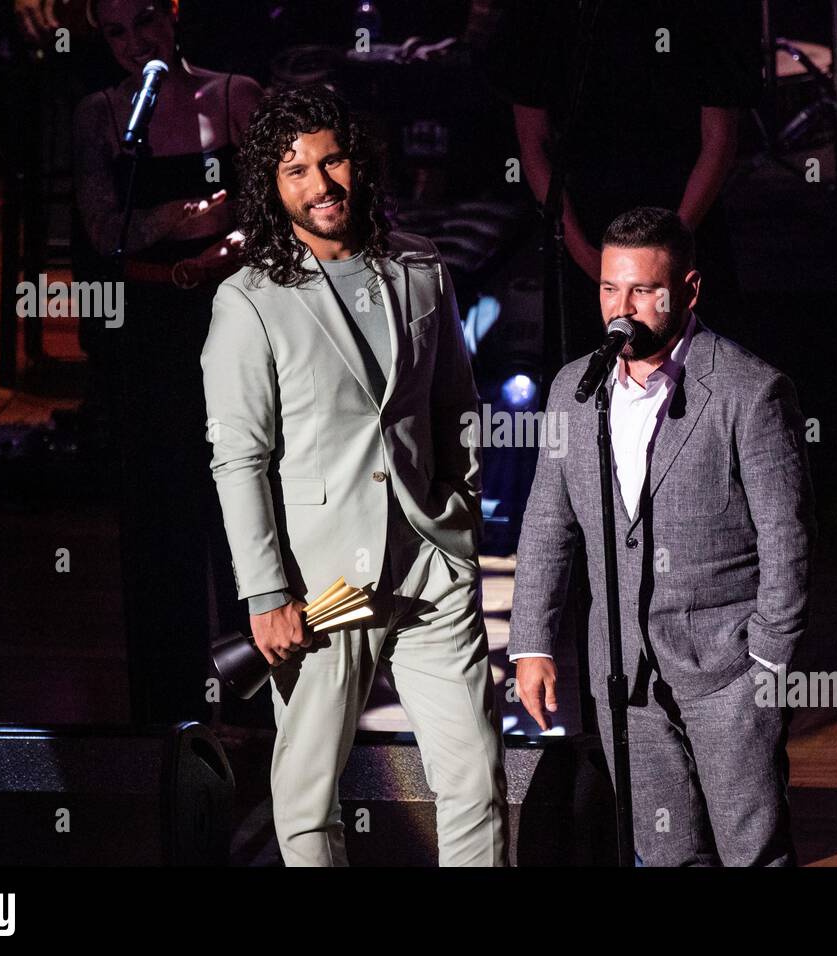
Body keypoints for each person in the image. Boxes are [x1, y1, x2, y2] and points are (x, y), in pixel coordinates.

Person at [201, 86, 510, 866]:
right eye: (295, 169)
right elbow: (239, 457)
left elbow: (455, 404)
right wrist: (266, 593)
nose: (320, 183)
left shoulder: (419, 266)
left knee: (476, 776)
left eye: (331, 159)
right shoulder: (249, 300)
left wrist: (460, 515)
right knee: (308, 800)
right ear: (272, 188)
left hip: (430, 563)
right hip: (321, 586)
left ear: (357, 161)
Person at [508, 207, 815, 866]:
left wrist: (769, 655)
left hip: (730, 667)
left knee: (751, 851)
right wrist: (532, 641)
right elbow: (547, 521)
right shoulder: (573, 391)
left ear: (689, 290)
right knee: (664, 850)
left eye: (646, 290)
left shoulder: (749, 391)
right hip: (621, 671)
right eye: (611, 289)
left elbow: (786, 534)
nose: (625, 307)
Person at [72, 0, 262, 723]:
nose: (132, 43)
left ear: (177, 13)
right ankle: (167, 711)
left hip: (234, 324)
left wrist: (221, 249)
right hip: (149, 333)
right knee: (159, 518)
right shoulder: (99, 116)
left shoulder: (234, 95)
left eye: (145, 20)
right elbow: (102, 232)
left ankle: (262, 703)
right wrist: (188, 227)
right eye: (114, 31)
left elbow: (274, 212)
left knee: (243, 512)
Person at [488, 0, 763, 369]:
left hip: (684, 230)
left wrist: (666, 248)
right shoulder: (547, 14)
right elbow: (532, 143)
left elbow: (719, 139)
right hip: (585, 235)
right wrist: (587, 255)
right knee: (586, 390)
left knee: (703, 387)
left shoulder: (706, 13)